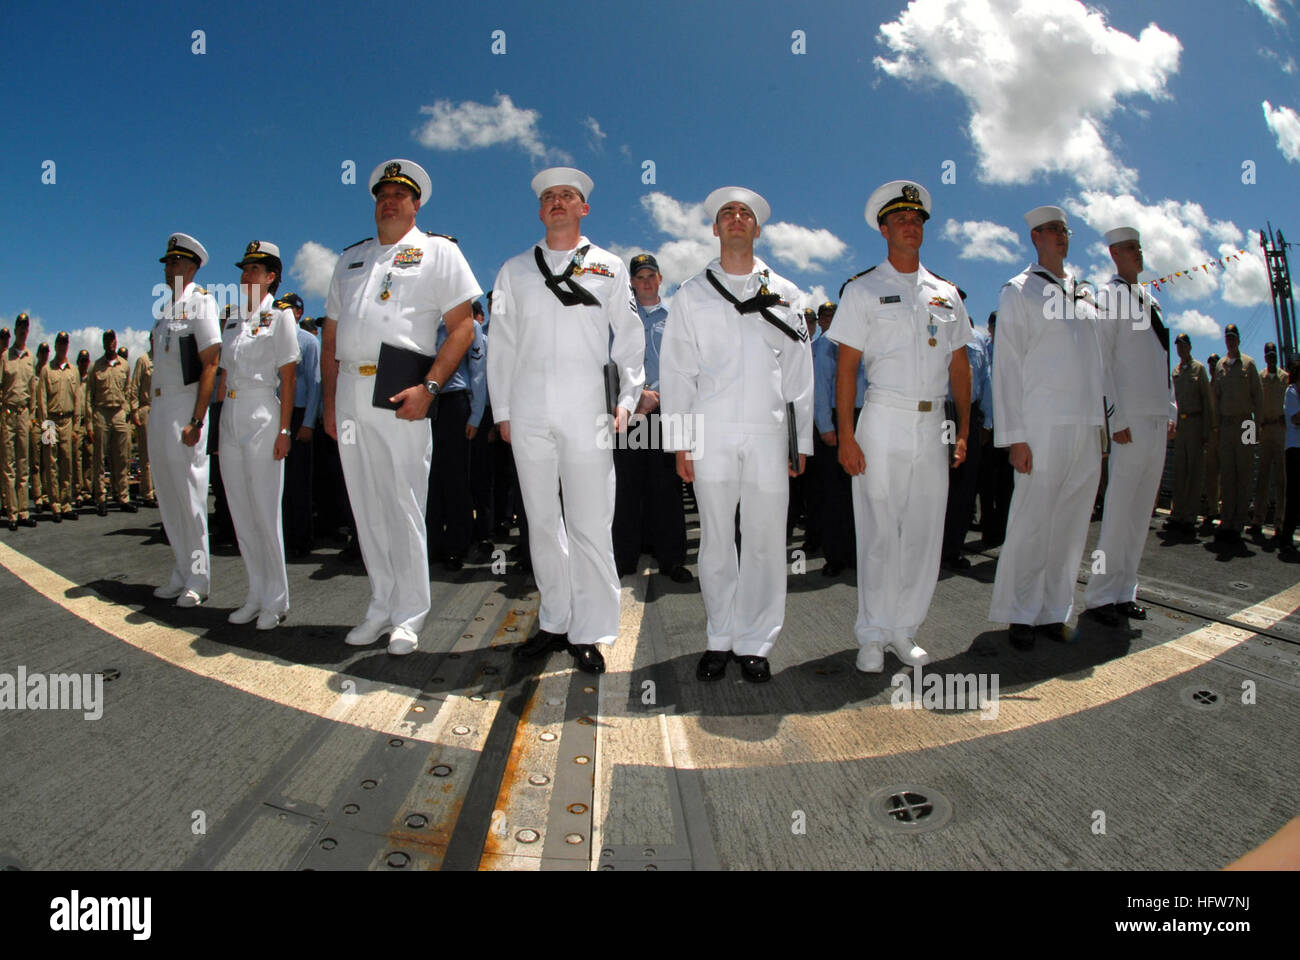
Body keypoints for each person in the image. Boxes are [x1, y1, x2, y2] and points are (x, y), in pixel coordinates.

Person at [488, 167, 644, 675]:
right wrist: (504, 410)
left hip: (589, 409)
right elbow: (502, 343)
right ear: (539, 211)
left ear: (584, 209)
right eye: (549, 197)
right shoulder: (514, 269)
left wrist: (627, 398)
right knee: (540, 521)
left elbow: (628, 335)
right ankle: (554, 620)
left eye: (568, 196)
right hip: (529, 408)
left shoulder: (609, 265)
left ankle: (591, 629)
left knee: (591, 523)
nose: (557, 202)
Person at [322, 159, 481, 655]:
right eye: (382, 194)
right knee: (366, 505)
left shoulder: (438, 253)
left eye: (400, 194)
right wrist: (328, 405)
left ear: (416, 204)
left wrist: (430, 388)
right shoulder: (350, 259)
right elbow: (330, 336)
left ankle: (410, 614)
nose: (389, 201)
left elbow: (462, 327)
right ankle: (380, 604)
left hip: (400, 390)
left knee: (404, 503)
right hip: (350, 389)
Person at [660, 186, 813, 683]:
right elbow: (678, 371)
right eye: (727, 213)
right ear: (715, 228)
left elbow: (799, 373)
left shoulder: (787, 292)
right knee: (718, 540)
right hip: (711, 430)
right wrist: (680, 440)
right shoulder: (692, 292)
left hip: (770, 433)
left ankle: (756, 641)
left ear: (757, 228)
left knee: (768, 540)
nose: (736, 218)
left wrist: (800, 441)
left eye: (745, 213)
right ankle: (719, 637)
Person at [830, 180, 971, 672]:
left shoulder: (947, 293)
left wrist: (965, 431)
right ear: (885, 229)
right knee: (878, 530)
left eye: (918, 220)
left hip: (934, 422)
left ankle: (903, 629)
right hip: (883, 416)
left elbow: (960, 368)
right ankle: (871, 633)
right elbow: (846, 368)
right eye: (902, 220)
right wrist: (846, 435)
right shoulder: (863, 288)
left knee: (923, 531)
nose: (911, 226)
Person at [988, 205, 1104, 649]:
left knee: (1072, 523)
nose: (1062, 236)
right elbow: (1008, 366)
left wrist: (1103, 425)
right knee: (1032, 521)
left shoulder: (1085, 293)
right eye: (1054, 230)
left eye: (1065, 229)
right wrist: (1015, 436)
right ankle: (1020, 612)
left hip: (1084, 423)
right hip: (1041, 423)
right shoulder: (1019, 291)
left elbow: (1098, 364)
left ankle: (1053, 611)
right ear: (1036, 236)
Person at [1083, 227, 1176, 626]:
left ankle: (1125, 591)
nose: (1139, 254)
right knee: (1119, 511)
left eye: (1140, 247)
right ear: (1115, 253)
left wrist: (1171, 409)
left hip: (1156, 417)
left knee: (1141, 513)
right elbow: (1101, 360)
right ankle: (1101, 595)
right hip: (1131, 419)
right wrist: (1114, 416)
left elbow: (1160, 361)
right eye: (1132, 248)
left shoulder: (1150, 299)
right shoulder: (1110, 297)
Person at [220, 242, 300, 629]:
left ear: (271, 277)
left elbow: (288, 376)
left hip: (263, 412)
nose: (245, 275)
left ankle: (277, 600)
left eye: (254, 269)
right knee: (240, 510)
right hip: (232, 414)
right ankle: (255, 592)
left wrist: (285, 429)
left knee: (266, 512)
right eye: (244, 269)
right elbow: (223, 375)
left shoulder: (280, 316)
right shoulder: (232, 320)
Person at [150, 233, 221, 607]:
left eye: (175, 262)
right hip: (160, 408)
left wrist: (197, 418)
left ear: (192, 266)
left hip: (184, 408)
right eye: (166, 262)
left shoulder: (201, 302)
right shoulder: (165, 311)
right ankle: (181, 570)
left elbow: (211, 361)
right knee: (168, 495)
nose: (168, 268)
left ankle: (199, 578)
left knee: (190, 496)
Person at [613, 252, 691, 582]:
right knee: (625, 485)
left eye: (651, 276)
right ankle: (624, 556)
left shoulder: (676, 319)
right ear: (630, 282)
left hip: (666, 408)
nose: (645, 282)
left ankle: (671, 558)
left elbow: (687, 365)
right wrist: (634, 396)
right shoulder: (616, 319)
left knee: (668, 486)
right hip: (628, 410)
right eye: (639, 277)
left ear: (660, 279)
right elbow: (608, 363)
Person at [426, 299, 487, 571]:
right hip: (427, 403)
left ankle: (457, 546)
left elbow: (478, 374)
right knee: (430, 477)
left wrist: (475, 415)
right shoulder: (426, 326)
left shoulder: (470, 327)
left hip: (454, 404)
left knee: (455, 477)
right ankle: (431, 544)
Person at [813, 299, 865, 576]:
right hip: (835, 418)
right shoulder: (826, 345)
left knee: (860, 491)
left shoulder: (861, 339)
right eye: (828, 316)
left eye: (836, 315)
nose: (831, 319)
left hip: (863, 418)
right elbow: (820, 388)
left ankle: (858, 553)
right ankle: (835, 556)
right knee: (835, 493)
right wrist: (824, 426)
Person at [941, 307, 991, 570]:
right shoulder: (936, 333)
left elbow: (986, 379)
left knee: (965, 487)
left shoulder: (979, 339)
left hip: (971, 414)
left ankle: (952, 549)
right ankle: (929, 547)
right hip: (942, 413)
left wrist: (988, 422)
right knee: (938, 483)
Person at [274, 292, 320, 558]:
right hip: (278, 413)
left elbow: (314, 383)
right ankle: (281, 536)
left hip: (300, 413)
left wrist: (308, 423)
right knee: (278, 481)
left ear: (299, 313)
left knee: (299, 482)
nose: (283, 314)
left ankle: (301, 539)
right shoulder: (273, 339)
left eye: (288, 310)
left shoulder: (308, 341)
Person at [1212, 324, 1261, 544]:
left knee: (1244, 472)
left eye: (1233, 338)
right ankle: (1227, 520)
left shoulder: (1249, 365)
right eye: (1227, 338)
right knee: (1228, 474)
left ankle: (1239, 522)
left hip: (1245, 425)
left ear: (1238, 340)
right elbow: (1216, 399)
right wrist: (1216, 427)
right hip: (1226, 425)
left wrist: (1256, 428)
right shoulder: (1221, 367)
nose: (1230, 341)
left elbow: (1258, 399)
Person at [1166, 333, 1214, 535]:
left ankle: (1190, 515)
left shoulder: (1199, 369)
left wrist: (1207, 430)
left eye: (1183, 345)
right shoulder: (1175, 372)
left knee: (1194, 472)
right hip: (1180, 425)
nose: (1180, 349)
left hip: (1195, 423)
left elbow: (1207, 401)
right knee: (1179, 471)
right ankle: (1177, 512)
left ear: (1190, 347)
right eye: (1178, 346)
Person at [88, 330, 137, 517]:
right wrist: (91, 422)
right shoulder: (96, 367)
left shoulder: (124, 365)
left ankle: (122, 496)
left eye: (112, 340)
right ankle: (101, 498)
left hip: (119, 412)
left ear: (116, 342)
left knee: (122, 457)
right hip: (101, 412)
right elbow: (89, 396)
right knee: (99, 458)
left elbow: (128, 391)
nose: (110, 344)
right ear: (103, 343)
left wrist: (127, 413)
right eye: (107, 341)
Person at [36, 332, 79, 522]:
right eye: (60, 343)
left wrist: (77, 426)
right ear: (56, 345)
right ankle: (55, 505)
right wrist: (44, 423)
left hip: (68, 421)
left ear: (68, 346)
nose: (62, 346)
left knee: (67, 461)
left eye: (65, 343)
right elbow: (42, 399)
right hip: (51, 421)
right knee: (51, 463)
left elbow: (78, 399)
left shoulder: (73, 371)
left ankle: (66, 502)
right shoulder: (46, 370)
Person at [2, 313, 38, 529]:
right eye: (20, 327)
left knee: (23, 462)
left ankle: (24, 511)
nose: (23, 331)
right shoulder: (5, 357)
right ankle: (12, 513)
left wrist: (32, 415)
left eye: (26, 327)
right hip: (7, 413)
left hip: (24, 414)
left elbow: (32, 389)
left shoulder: (30, 358)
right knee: (9, 465)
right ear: (15, 330)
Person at [1248, 342, 1288, 534]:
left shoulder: (1285, 378)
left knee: (1281, 479)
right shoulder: (1260, 378)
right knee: (1262, 478)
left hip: (1280, 431)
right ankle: (1258, 519)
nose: (1271, 358)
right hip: (1264, 429)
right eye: (1269, 355)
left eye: (1274, 355)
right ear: (1265, 357)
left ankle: (1280, 522)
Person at [1277, 357, 1300, 555]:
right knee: (1293, 496)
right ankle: (1286, 537)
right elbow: (1295, 418)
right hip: (1294, 448)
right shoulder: (1291, 392)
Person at [130, 346, 155, 507]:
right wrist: (134, 411)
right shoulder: (143, 360)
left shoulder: (163, 357)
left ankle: (160, 490)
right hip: (146, 408)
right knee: (146, 454)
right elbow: (134, 388)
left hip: (161, 407)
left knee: (160, 454)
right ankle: (148, 493)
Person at [1203, 352, 1222, 528]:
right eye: (1210, 364)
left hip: (1225, 431)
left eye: (1214, 364)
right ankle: (1212, 507)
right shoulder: (1208, 385)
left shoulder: (1225, 384)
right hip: (1211, 433)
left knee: (1228, 473)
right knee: (1211, 473)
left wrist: (1250, 438)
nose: (1211, 367)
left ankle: (1225, 508)